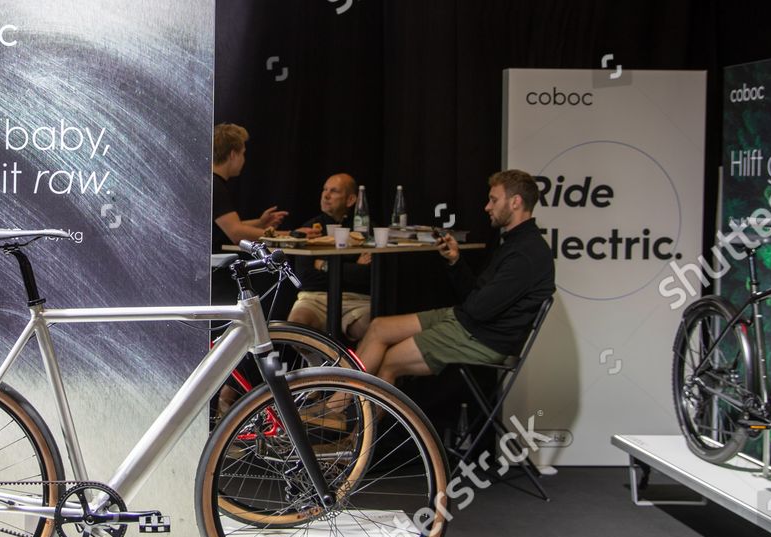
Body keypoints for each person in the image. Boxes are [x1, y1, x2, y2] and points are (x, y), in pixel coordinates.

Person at [353, 169, 554, 382]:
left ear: (515, 202)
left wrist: (452, 318)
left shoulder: (526, 254)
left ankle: (349, 413)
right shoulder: (513, 243)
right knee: (378, 328)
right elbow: (475, 298)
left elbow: (478, 308)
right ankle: (337, 406)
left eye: (493, 200)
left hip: (482, 337)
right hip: (467, 320)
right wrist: (455, 261)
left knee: (390, 362)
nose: (487, 207)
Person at [286, 173, 373, 340]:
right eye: (325, 190)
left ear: (350, 200)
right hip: (315, 298)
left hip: (355, 299)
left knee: (368, 328)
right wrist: (354, 267)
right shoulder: (310, 229)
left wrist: (323, 265)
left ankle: (353, 366)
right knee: (297, 327)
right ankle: (319, 366)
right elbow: (304, 278)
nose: (326, 196)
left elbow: (368, 276)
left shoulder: (365, 230)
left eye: (334, 191)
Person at [211, 123, 286, 248]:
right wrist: (291, 236)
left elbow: (224, 227)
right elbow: (236, 233)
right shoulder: (215, 186)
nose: (244, 160)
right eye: (243, 153)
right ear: (233, 155)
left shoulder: (212, 182)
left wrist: (260, 223)